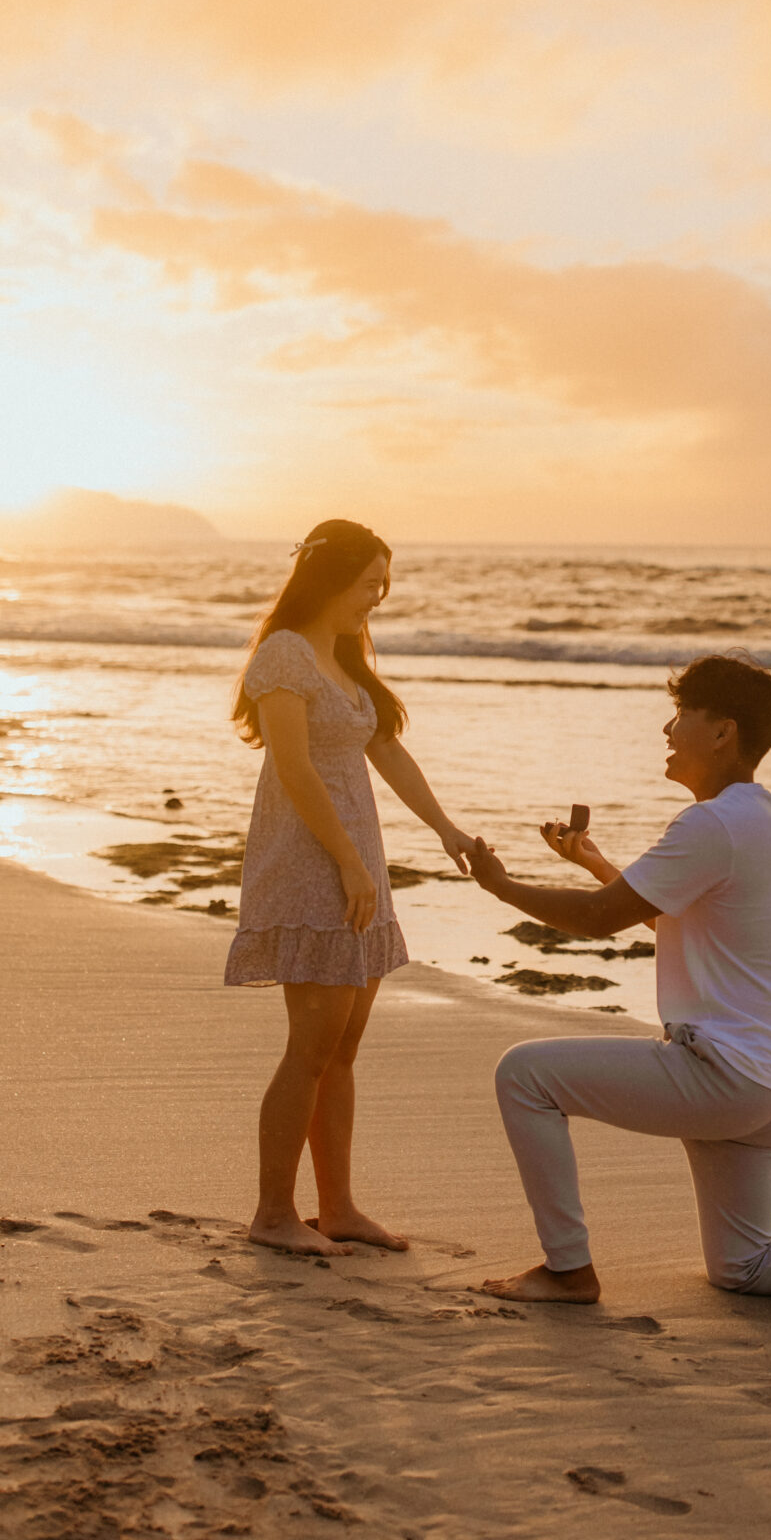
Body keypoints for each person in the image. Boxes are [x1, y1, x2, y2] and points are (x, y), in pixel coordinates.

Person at [469, 651, 771, 1331]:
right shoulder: (766, 818)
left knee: (523, 1074)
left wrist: (496, 885)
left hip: (720, 1076)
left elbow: (595, 921)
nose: (666, 732)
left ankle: (567, 1269)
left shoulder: (711, 824)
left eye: (680, 716)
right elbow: (664, 914)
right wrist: (592, 862)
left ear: (722, 731)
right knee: (742, 1267)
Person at [227, 519, 475, 1257]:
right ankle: (274, 1212)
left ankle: (336, 1207)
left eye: (383, 586)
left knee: (341, 1050)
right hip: (309, 859)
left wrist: (446, 830)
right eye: (368, 584)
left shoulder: (344, 658)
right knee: (310, 1045)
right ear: (328, 580)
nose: (376, 598)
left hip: (355, 861)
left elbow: (387, 752)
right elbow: (295, 768)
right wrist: (344, 860)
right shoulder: (283, 655)